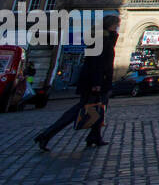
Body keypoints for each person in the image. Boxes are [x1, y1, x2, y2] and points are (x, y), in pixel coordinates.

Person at [36, 15, 119, 151]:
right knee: (80, 110)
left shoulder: (104, 38)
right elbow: (97, 63)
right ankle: (46, 135)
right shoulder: (100, 40)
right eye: (116, 24)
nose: (117, 27)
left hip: (99, 80)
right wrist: (96, 83)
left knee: (100, 109)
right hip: (96, 81)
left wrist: (113, 35)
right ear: (110, 25)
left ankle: (95, 136)